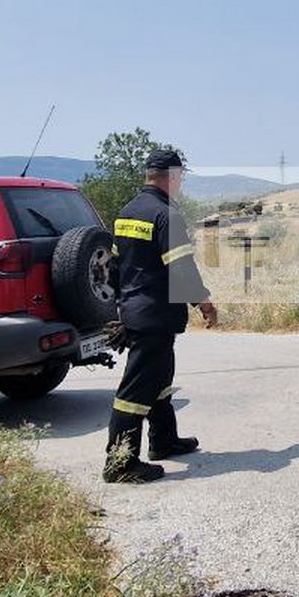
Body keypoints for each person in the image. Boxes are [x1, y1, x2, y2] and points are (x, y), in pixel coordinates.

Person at [105, 148, 219, 484]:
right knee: (134, 394)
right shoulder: (166, 214)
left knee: (160, 381)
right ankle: (120, 464)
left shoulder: (127, 212)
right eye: (181, 177)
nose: (181, 183)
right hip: (154, 316)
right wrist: (204, 303)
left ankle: (163, 440)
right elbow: (182, 269)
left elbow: (115, 269)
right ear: (171, 176)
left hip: (137, 311)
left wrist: (121, 308)